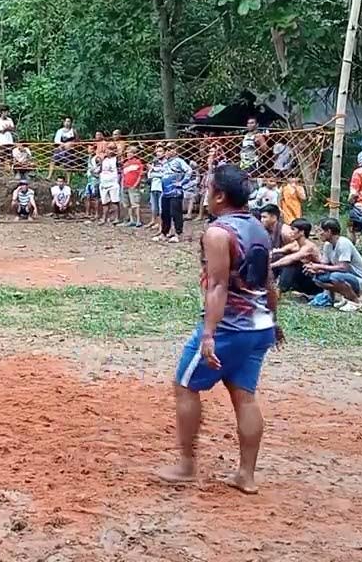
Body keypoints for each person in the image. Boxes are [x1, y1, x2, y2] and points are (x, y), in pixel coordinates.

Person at [159, 164, 280, 495]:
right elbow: (268, 280)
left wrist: (209, 335)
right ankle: (246, 475)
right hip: (259, 327)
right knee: (244, 396)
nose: (204, 193)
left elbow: (217, 287)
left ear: (220, 195)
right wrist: (274, 319)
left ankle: (185, 464)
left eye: (207, 188)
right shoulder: (258, 226)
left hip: (229, 328)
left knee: (184, 385)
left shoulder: (217, 232)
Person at [305, 217, 362, 312]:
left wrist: (318, 266)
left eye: (321, 231)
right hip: (344, 276)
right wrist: (313, 269)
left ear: (329, 231)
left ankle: (355, 302)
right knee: (318, 277)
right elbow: (324, 265)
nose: (319, 234)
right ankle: (335, 298)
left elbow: (343, 267)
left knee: (335, 276)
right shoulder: (327, 245)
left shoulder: (343, 243)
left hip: (359, 280)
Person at [271, 218, 321, 296]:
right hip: (302, 279)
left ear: (301, 232)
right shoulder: (296, 244)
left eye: (293, 229)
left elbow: (291, 259)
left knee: (292, 263)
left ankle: (279, 290)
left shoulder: (309, 247)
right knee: (278, 256)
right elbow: (278, 251)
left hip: (315, 281)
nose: (290, 232)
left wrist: (271, 265)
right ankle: (268, 283)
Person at [156, 144, 193, 243]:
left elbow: (189, 171)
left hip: (176, 192)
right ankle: (164, 233)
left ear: (175, 151)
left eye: (171, 149)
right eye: (167, 150)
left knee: (175, 213)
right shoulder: (164, 163)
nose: (168, 151)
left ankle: (178, 234)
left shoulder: (179, 161)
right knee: (165, 213)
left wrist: (182, 182)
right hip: (165, 192)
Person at [120, 146, 146, 227]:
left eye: (130, 152)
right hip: (125, 185)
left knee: (135, 204)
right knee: (127, 204)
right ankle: (132, 220)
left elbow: (140, 175)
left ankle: (138, 220)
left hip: (133, 186)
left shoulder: (138, 162)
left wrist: (136, 184)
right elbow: (123, 175)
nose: (128, 154)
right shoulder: (125, 163)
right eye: (127, 153)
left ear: (134, 153)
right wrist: (122, 184)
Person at [97, 150, 120, 225]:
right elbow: (99, 170)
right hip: (103, 183)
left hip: (113, 183)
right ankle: (104, 218)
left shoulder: (116, 159)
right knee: (104, 202)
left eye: (111, 149)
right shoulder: (103, 160)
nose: (109, 151)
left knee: (115, 201)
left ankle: (116, 218)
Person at [84, 146, 101, 218]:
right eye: (89, 149)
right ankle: (87, 213)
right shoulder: (89, 158)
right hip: (89, 179)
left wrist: (94, 173)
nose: (89, 150)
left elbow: (100, 167)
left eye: (91, 149)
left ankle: (96, 214)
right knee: (87, 196)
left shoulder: (97, 158)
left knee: (95, 197)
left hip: (95, 179)